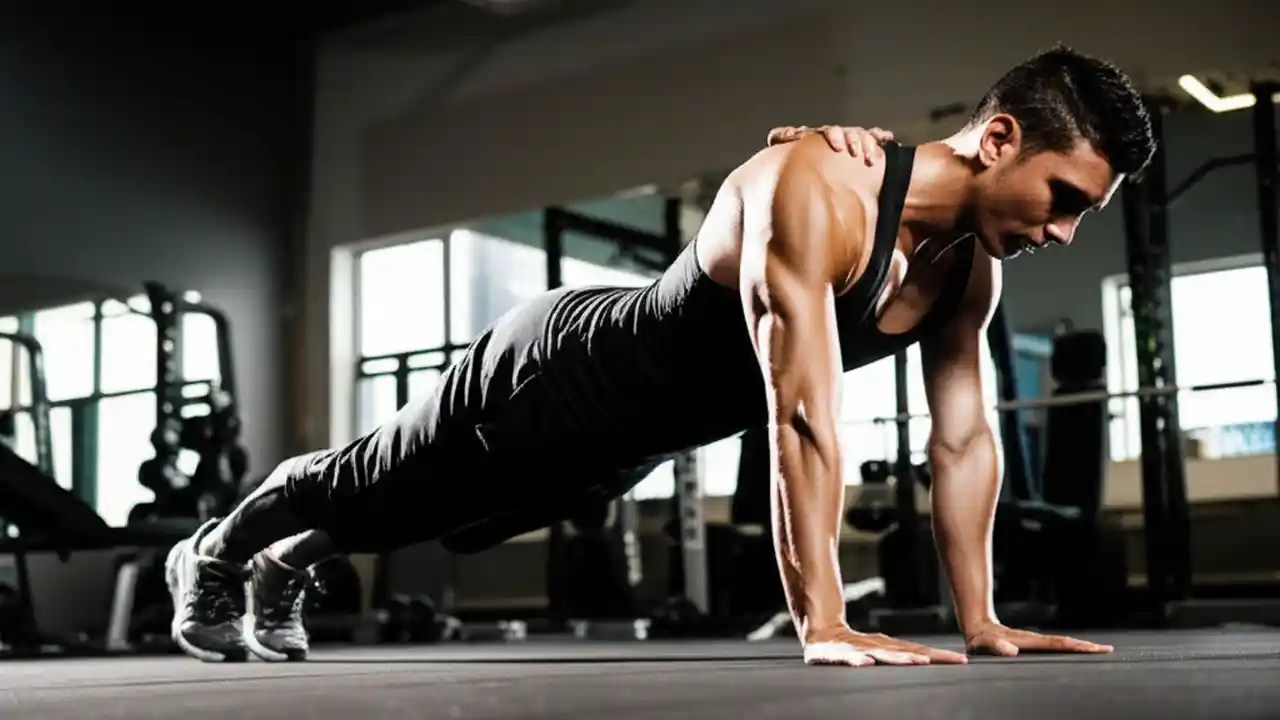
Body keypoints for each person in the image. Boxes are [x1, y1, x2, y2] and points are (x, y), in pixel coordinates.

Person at [167, 43, 1154, 666]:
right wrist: (823, 624)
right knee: (377, 483)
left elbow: (963, 441)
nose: (1063, 233)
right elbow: (799, 415)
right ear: (995, 138)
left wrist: (978, 619)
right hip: (558, 371)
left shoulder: (964, 271)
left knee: (447, 522)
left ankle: (292, 558)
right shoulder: (817, 187)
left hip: (625, 443)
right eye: (1062, 199)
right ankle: (210, 556)